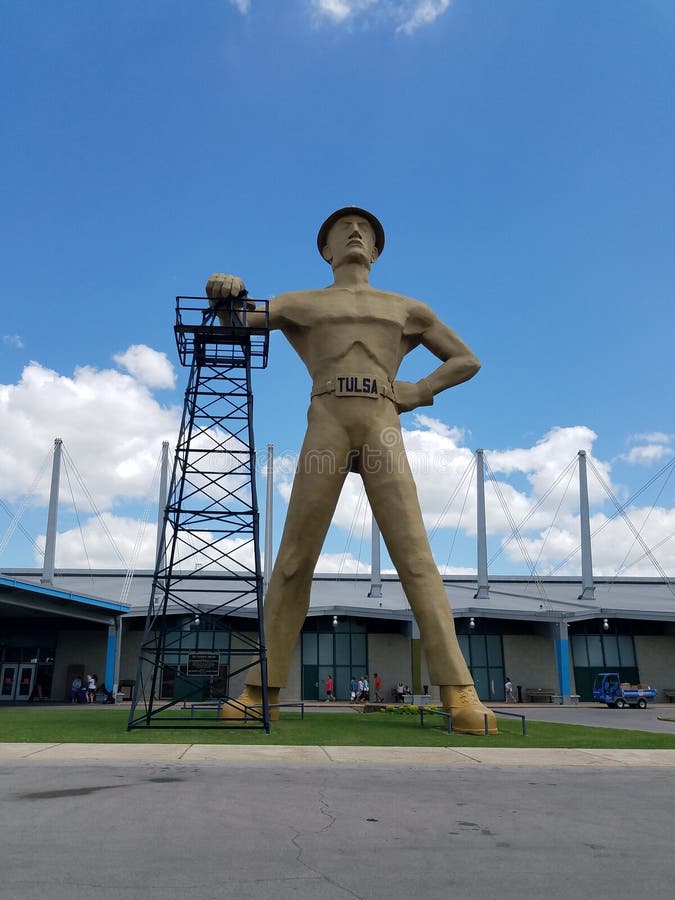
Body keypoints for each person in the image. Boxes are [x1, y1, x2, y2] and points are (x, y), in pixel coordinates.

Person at [206, 206, 497, 735]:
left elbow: (466, 359)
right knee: (294, 558)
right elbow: (238, 319)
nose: (356, 232)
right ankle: (259, 690)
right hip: (328, 421)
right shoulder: (303, 303)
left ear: (377, 251)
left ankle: (460, 693)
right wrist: (224, 290)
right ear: (327, 250)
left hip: (383, 422)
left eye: (365, 229)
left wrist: (419, 390)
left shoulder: (406, 308)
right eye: (344, 229)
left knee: (416, 559)